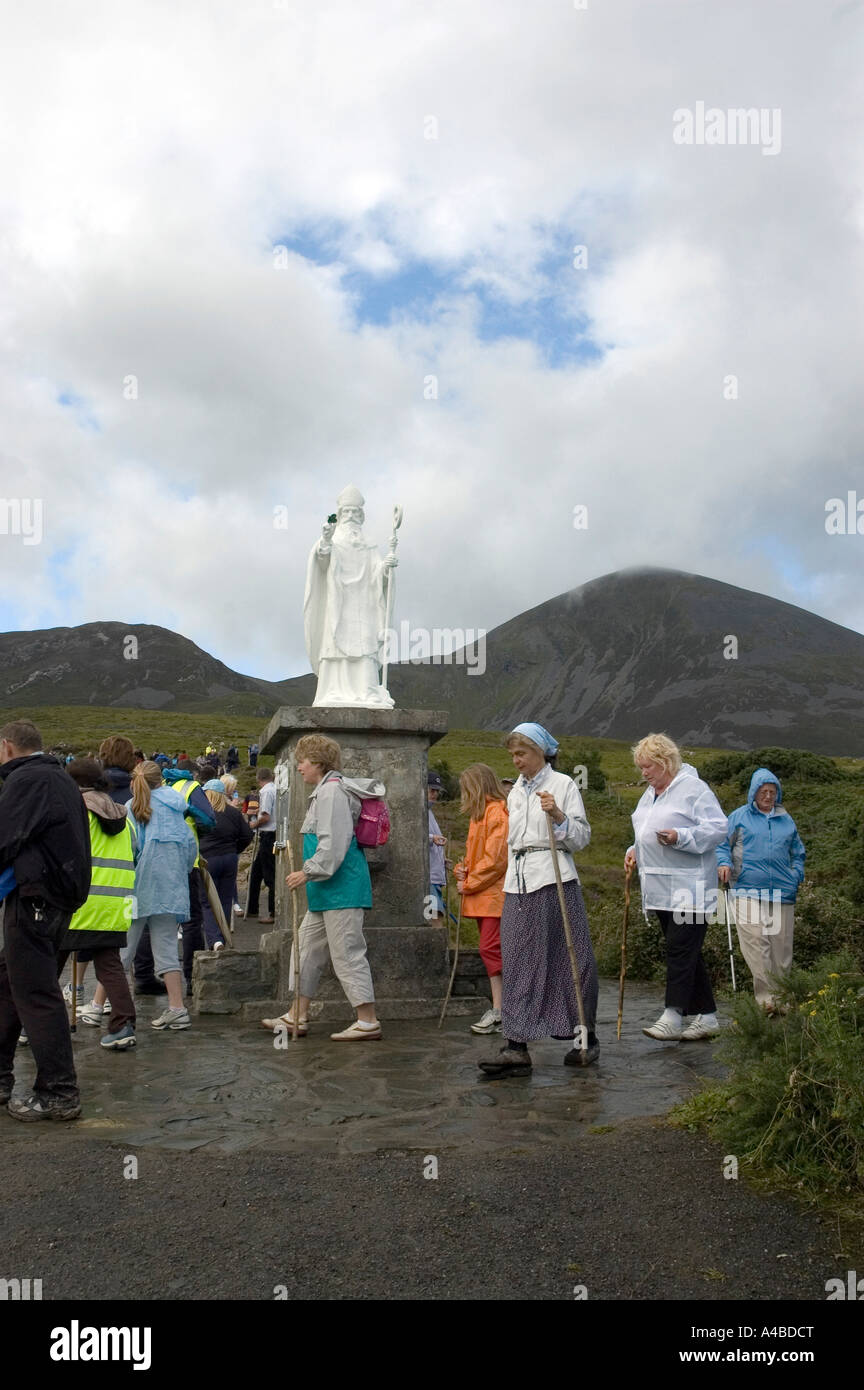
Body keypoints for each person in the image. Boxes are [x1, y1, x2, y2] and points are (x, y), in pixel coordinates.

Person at [479, 723, 600, 1076]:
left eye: (522, 754)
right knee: (516, 959)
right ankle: (516, 1045)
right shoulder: (515, 791)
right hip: (517, 883)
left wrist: (559, 816)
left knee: (570, 956)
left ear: (542, 753)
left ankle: (584, 1037)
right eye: (513, 754)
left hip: (553, 877)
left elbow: (581, 838)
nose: (516, 761)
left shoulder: (562, 785)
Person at [0, 719, 91, 1121]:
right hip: (56, 900)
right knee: (9, 985)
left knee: (37, 994)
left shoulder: (29, 780)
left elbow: (4, 839)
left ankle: (58, 1091)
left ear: (7, 747)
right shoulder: (59, 779)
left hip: (35, 900)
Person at [262, 734, 380, 1041]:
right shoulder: (326, 791)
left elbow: (334, 843)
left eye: (302, 760)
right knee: (306, 949)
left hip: (340, 889)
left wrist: (307, 872)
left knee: (346, 952)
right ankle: (296, 1015)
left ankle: (367, 1020)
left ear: (316, 762)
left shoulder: (331, 793)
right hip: (328, 891)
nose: (299, 767)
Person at [625, 734, 728, 1042]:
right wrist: (634, 850)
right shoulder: (651, 794)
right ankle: (707, 1017)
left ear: (666, 762)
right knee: (687, 953)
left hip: (690, 888)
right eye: (641, 767)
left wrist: (679, 836)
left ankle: (673, 1015)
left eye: (649, 767)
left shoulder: (693, 790)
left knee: (679, 950)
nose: (644, 773)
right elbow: (644, 831)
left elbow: (718, 828)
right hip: (658, 887)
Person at [58, 761, 137, 1049]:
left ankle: (32, 1025)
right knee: (110, 965)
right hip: (116, 904)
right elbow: (135, 854)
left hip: (78, 902)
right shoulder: (123, 817)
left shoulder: (77, 812)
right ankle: (124, 1024)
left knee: (47, 964)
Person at [716, 768, 805, 1013]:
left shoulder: (786, 820)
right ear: (754, 793)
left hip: (782, 891)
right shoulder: (739, 817)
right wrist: (723, 863)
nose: (768, 796)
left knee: (781, 947)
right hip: (746, 888)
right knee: (756, 941)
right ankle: (767, 999)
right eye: (763, 791)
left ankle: (783, 999)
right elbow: (722, 845)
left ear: (778, 793)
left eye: (772, 792)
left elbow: (798, 853)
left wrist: (796, 875)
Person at [120, 761, 197, 1030]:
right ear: (161, 781)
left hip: (136, 888)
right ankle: (177, 1008)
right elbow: (189, 847)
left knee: (121, 948)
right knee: (165, 948)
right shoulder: (177, 809)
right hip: (170, 889)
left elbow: (128, 848)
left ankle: (104, 1006)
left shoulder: (131, 807)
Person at [454, 764, 509, 1035]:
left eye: (466, 788)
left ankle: (503, 1009)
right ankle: (501, 1008)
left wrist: (469, 882)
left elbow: (496, 861)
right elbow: (475, 858)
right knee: (491, 951)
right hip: (484, 895)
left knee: (491, 949)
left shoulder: (497, 813)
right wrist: (461, 869)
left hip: (494, 896)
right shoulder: (480, 816)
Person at [161, 760, 217, 994]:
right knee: (192, 920)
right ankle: (192, 978)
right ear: (193, 773)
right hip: (186, 860)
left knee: (152, 920)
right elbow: (208, 820)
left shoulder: (161, 786)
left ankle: (144, 974)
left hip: (157, 858)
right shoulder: (192, 788)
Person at [198, 778, 253, 948]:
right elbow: (247, 835)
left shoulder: (202, 813)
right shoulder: (233, 812)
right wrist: (235, 849)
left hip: (208, 859)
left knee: (207, 902)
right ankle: (224, 935)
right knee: (225, 899)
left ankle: (215, 940)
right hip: (229, 858)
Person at [246, 767, 277, 923]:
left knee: (269, 875)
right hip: (272, 834)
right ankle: (252, 908)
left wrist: (254, 824)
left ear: (259, 780)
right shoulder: (276, 789)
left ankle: (272, 913)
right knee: (256, 873)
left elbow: (265, 816)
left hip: (268, 835)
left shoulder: (265, 791)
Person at [427, 772, 448, 918]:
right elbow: (413, 835)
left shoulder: (429, 812)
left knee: (434, 916)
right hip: (428, 878)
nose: (435, 794)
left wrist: (443, 860)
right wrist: (431, 838)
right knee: (434, 916)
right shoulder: (418, 811)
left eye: (437, 791)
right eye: (431, 790)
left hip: (435, 877)